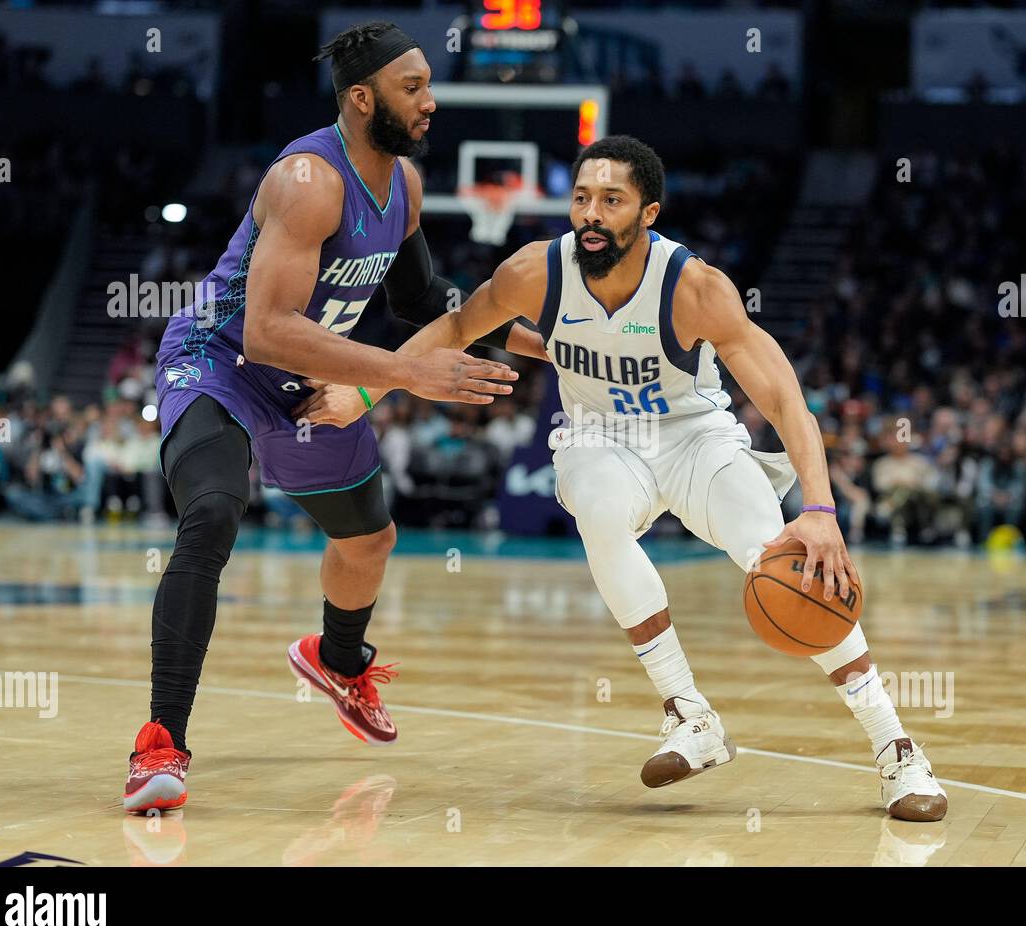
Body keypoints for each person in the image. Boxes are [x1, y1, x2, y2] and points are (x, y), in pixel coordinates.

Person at [401, 136, 947, 821]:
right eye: (581, 198)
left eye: (611, 200)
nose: (591, 214)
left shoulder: (695, 288)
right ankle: (691, 715)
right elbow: (456, 324)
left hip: (696, 438)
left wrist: (820, 509)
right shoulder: (531, 274)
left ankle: (896, 748)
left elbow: (783, 400)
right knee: (599, 513)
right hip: (601, 439)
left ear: (648, 212)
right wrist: (359, 393)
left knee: (784, 563)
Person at [123, 21, 539, 814]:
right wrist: (408, 373)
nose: (430, 100)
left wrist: (553, 347)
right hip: (222, 363)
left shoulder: (405, 185)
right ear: (361, 98)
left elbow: (424, 301)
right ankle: (160, 745)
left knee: (368, 540)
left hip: (309, 376)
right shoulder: (310, 179)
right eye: (412, 87)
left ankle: (338, 659)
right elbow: (267, 329)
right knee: (211, 516)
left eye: (427, 83)